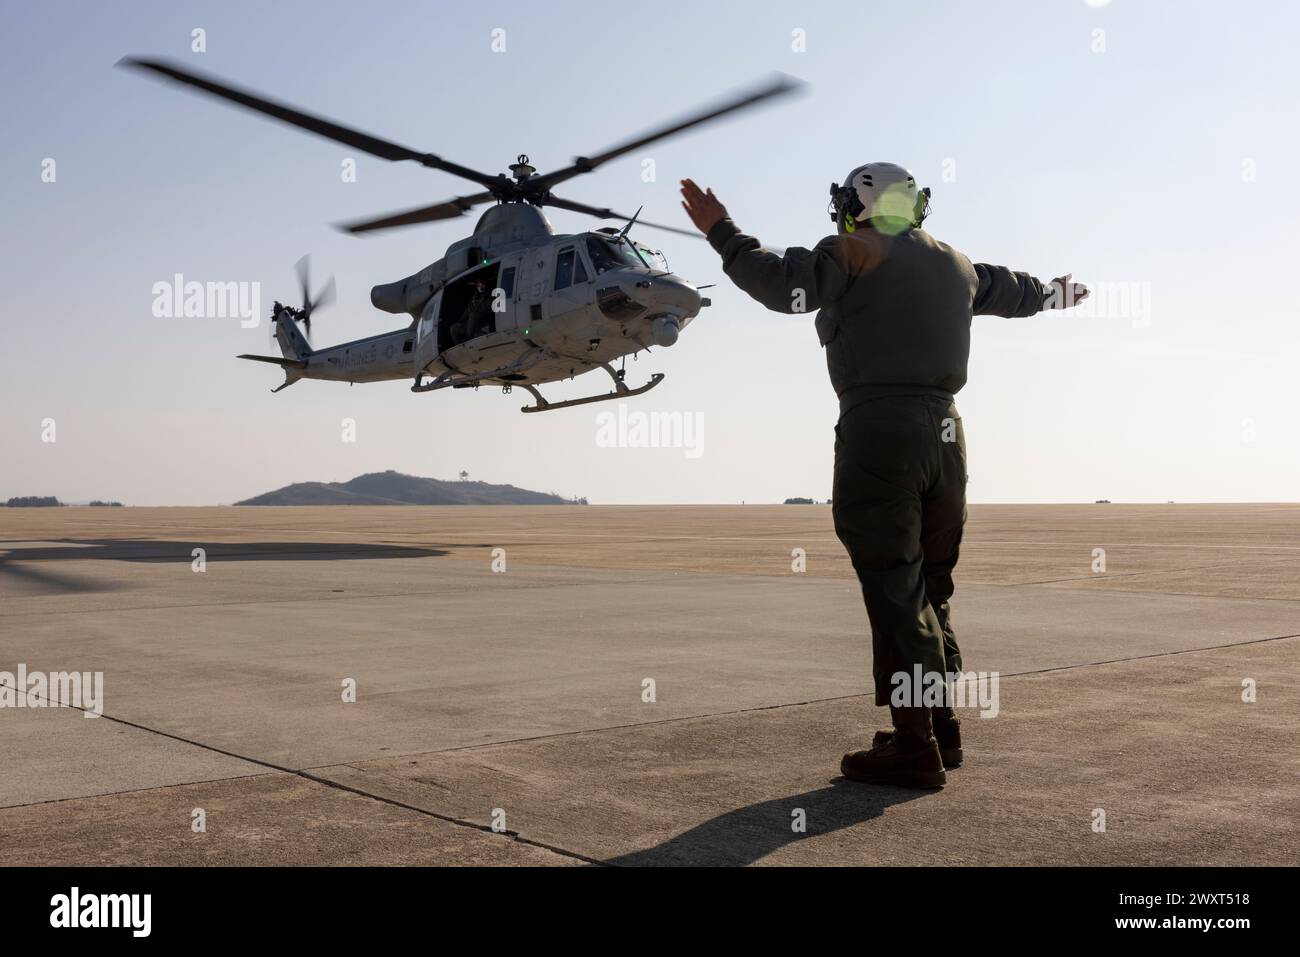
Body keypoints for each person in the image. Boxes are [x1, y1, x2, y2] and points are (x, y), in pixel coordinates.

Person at [680, 165, 1089, 789]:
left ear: (857, 204)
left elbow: (778, 286)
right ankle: (939, 727)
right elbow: (1018, 292)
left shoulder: (852, 250)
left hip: (881, 432)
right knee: (930, 586)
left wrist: (722, 232)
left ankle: (913, 745)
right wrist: (1055, 293)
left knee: (896, 589)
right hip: (947, 439)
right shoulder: (957, 264)